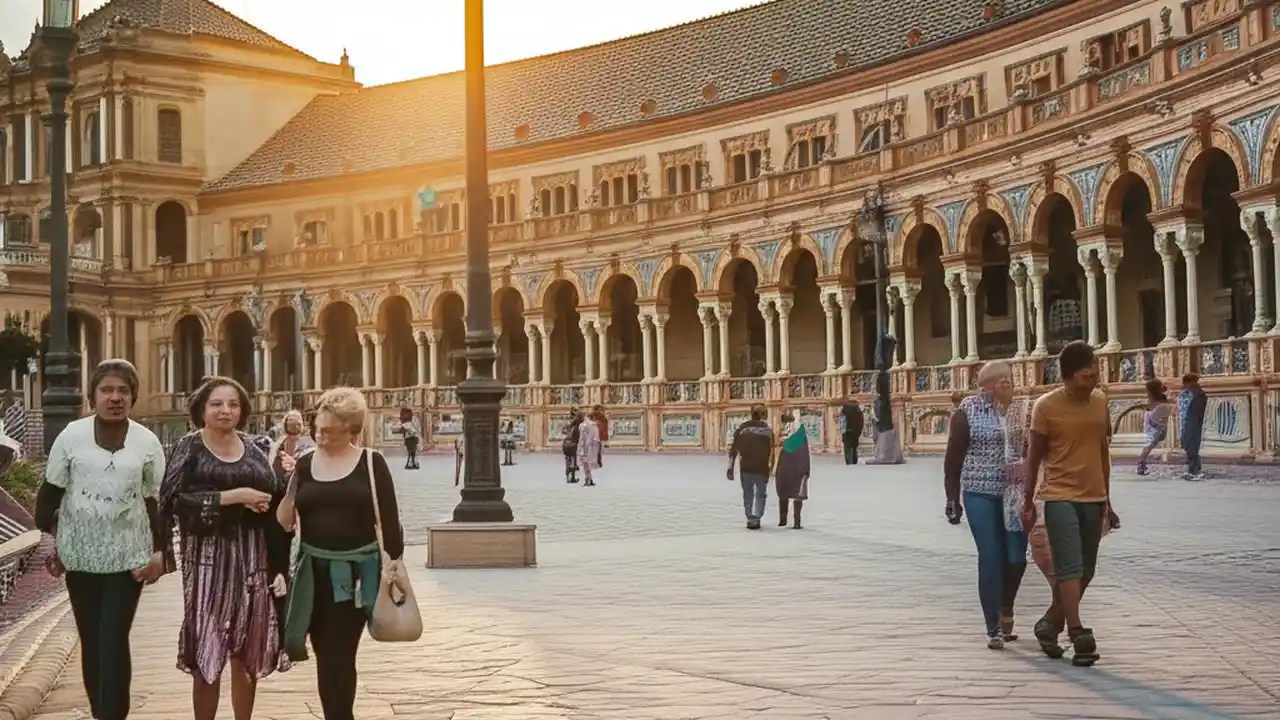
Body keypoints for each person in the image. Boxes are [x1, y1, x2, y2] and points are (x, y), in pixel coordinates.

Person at [34, 359, 167, 720]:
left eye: (123, 390)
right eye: (107, 390)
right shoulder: (71, 437)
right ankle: (100, 711)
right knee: (91, 640)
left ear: (133, 396)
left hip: (129, 557)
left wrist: (160, 553)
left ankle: (113, 715)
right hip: (79, 555)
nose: (115, 397)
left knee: (113, 637)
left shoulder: (147, 441)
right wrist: (51, 545)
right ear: (93, 395)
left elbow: (157, 500)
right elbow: (49, 495)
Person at [157, 376, 292, 720]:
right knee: (208, 646)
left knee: (247, 649)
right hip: (207, 558)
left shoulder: (257, 446)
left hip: (253, 556)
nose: (225, 411)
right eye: (216, 404)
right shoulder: (190, 448)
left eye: (233, 404)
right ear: (202, 409)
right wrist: (234, 498)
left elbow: (275, 498)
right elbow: (173, 502)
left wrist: (279, 564)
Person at [277, 387, 405, 720]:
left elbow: (390, 522)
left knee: (339, 651)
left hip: (356, 575)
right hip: (312, 573)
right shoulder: (306, 463)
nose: (320, 436)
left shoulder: (371, 463)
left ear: (353, 431)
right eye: (317, 429)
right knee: (323, 652)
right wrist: (289, 488)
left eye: (330, 432)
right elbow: (284, 520)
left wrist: (393, 564)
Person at [1021, 340, 1120, 667]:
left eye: (1094, 374)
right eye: (1084, 376)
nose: (1091, 380)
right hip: (1059, 495)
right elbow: (1033, 457)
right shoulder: (1046, 407)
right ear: (1067, 376)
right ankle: (1076, 632)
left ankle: (1049, 622)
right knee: (1070, 567)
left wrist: (1108, 499)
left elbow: (1102, 452)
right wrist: (1027, 499)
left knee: (1086, 570)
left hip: (1093, 497)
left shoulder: (1100, 401)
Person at [944, 361, 1028, 649]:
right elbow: (953, 458)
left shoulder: (1022, 410)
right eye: (1002, 381)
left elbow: (1034, 446)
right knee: (991, 556)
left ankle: (1006, 606)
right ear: (987, 386)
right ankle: (993, 626)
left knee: (1017, 557)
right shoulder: (968, 411)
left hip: (1014, 492)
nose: (1009, 385)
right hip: (980, 491)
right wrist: (952, 498)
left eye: (1010, 380)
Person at [727, 404, 774, 530]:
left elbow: (734, 449)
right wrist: (772, 467)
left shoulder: (743, 429)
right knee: (760, 493)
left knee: (748, 493)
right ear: (762, 415)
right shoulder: (767, 430)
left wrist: (730, 467)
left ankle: (750, 518)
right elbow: (772, 451)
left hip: (746, 467)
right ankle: (757, 518)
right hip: (762, 467)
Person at [774, 411, 811, 529]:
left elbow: (780, 450)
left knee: (783, 492)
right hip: (799, 466)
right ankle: (797, 521)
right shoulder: (800, 434)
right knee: (798, 494)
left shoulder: (785, 434)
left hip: (785, 466)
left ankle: (783, 520)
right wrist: (806, 470)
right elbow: (805, 453)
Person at [1135, 379, 1173, 476]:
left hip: (1156, 424)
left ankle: (1141, 464)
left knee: (1148, 446)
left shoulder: (1153, 398)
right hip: (1156, 425)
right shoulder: (1160, 398)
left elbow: (1151, 408)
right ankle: (1141, 465)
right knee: (1148, 446)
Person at [1178, 373, 1208, 481]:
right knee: (1188, 444)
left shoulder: (1197, 393)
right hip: (1186, 421)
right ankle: (1194, 467)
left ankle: (1194, 469)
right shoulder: (1188, 393)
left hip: (1192, 422)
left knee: (1192, 445)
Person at [577, 406, 603, 487]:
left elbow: (582, 438)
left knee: (585, 463)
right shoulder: (593, 424)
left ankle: (587, 479)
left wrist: (581, 448)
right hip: (593, 445)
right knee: (589, 463)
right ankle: (589, 479)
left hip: (585, 446)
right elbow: (596, 437)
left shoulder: (582, 425)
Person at [838, 401, 863, 466]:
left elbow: (842, 422)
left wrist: (842, 431)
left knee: (847, 445)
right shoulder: (858, 411)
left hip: (847, 431)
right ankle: (854, 459)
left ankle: (848, 460)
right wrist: (859, 431)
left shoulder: (844, 410)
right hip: (855, 430)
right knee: (854, 445)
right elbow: (861, 422)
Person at [561, 410, 583, 484]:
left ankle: (567, 476)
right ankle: (572, 477)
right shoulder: (579, 427)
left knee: (567, 458)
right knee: (573, 458)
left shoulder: (569, 425)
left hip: (565, 444)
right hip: (573, 444)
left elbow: (563, 431)